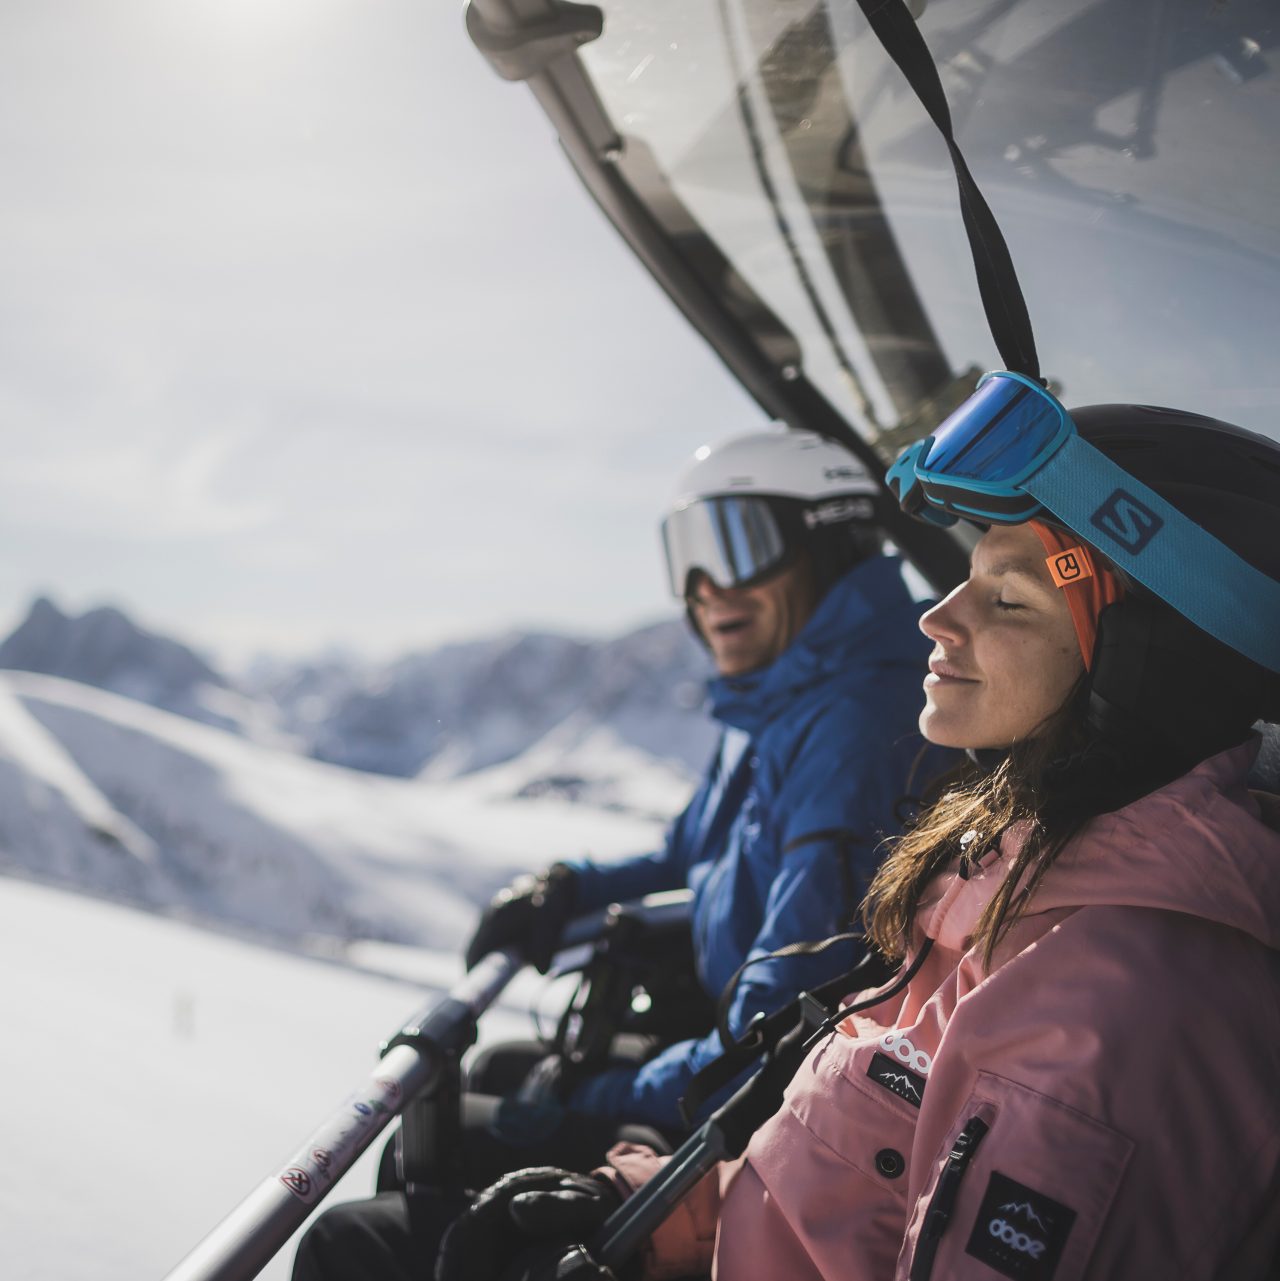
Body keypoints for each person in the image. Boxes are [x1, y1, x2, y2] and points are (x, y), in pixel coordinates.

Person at [435, 386, 1280, 1281]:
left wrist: (589, 1112)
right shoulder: (1004, 864)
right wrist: (658, 1215)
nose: (937, 614)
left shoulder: (1103, 1014)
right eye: (965, 576)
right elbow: (853, 1155)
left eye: (1009, 600)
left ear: (1138, 661)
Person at [291, 425, 943, 1281]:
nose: (706, 588)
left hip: (760, 1114)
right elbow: (691, 850)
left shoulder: (856, 725)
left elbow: (773, 1026)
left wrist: (590, 1097)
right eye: (687, 558)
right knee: (492, 1078)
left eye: (736, 544)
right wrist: (573, 890)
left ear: (831, 539)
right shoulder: (787, 699)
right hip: (727, 1069)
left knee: (370, 1226)